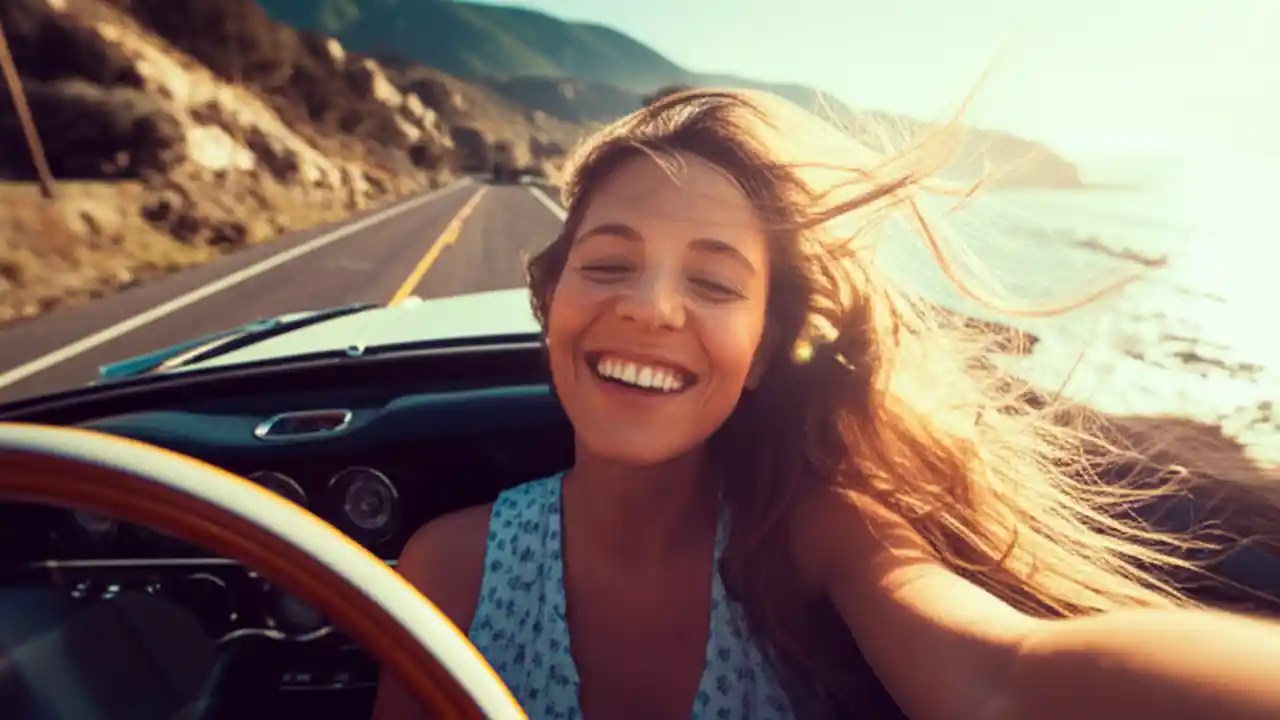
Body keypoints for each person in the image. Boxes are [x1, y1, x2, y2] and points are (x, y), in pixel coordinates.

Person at [372, 89, 1280, 719]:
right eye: (607, 263)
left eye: (716, 282)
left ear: (766, 350)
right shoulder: (446, 570)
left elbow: (1004, 682)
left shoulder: (811, 540)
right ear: (551, 301)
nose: (649, 306)